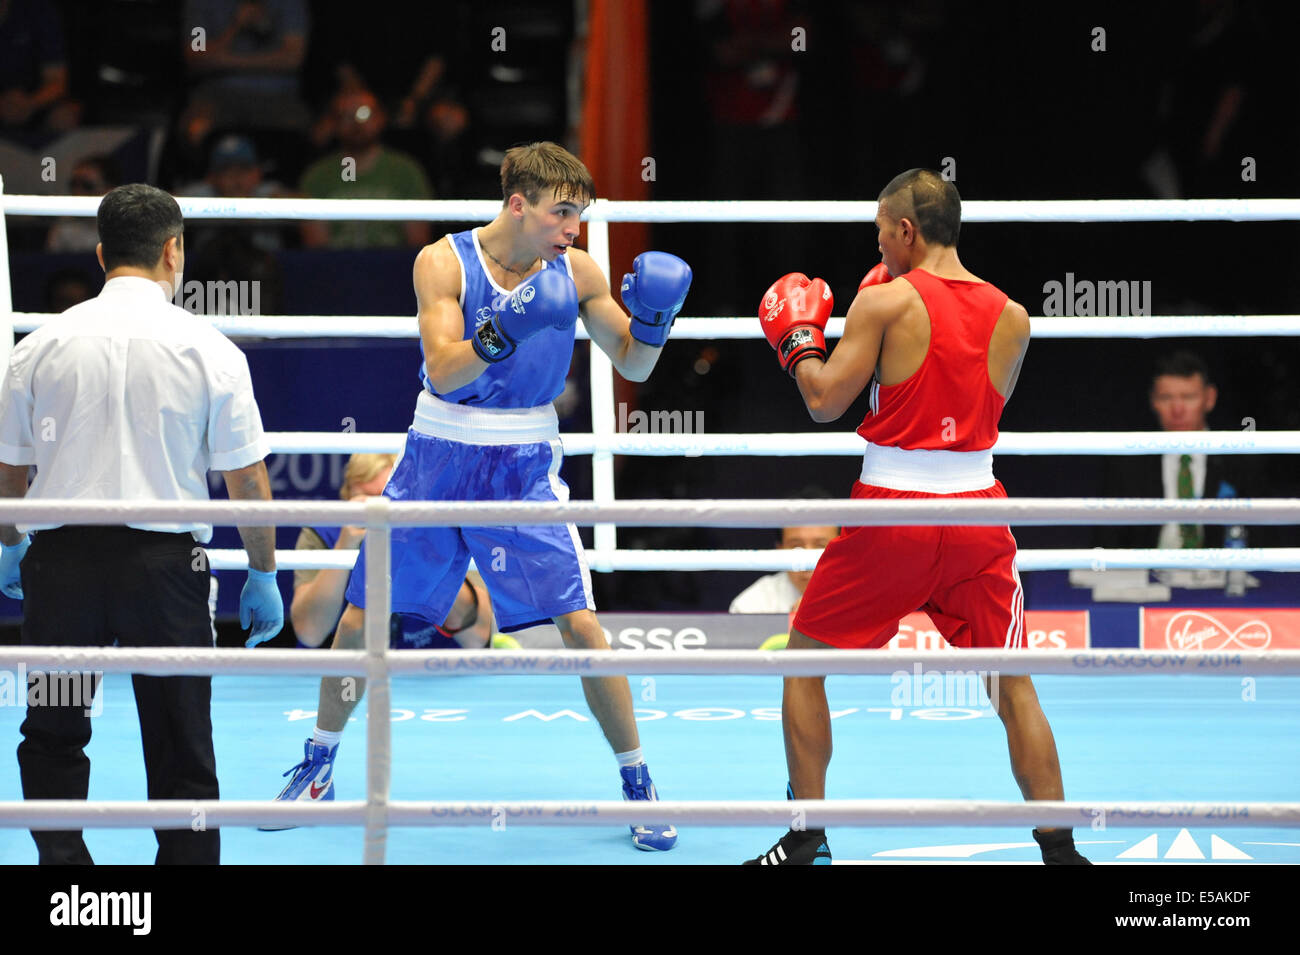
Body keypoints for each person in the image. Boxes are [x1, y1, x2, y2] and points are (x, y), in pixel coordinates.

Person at [268, 141, 692, 852]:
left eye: (580, 216)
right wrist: (509, 324)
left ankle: (638, 779)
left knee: (581, 626)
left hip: (522, 463)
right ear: (518, 204)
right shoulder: (441, 261)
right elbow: (444, 367)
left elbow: (633, 361)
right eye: (562, 213)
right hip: (436, 454)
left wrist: (654, 320)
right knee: (360, 615)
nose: (572, 230)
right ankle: (318, 764)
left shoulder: (577, 270)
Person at [747, 168, 1088, 866]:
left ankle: (806, 835)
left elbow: (822, 400)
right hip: (977, 516)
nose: (877, 242)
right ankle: (1062, 853)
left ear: (906, 230)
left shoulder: (887, 304)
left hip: (891, 516)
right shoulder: (1014, 315)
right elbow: (980, 413)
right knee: (1012, 683)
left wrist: (799, 340)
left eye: (881, 229)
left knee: (802, 664)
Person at [0, 183, 283, 865]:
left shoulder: (37, 346)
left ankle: (64, 877)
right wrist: (264, 572)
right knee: (179, 736)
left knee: (55, 729)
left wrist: (11, 547)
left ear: (100, 254)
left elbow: (9, 472)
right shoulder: (209, 347)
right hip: (165, 575)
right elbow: (246, 480)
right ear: (173, 250)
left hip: (62, 568)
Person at [289, 452, 492, 651]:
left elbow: (478, 637)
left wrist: (421, 549)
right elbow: (310, 633)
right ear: (347, 495)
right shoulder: (323, 532)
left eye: (388, 499)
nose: (378, 511)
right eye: (366, 498)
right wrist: (344, 546)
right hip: (343, 673)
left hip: (433, 674)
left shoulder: (447, 530)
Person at [1095, 350, 1258, 551]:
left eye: (1188, 397)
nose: (1178, 410)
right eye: (1166, 398)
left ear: (1210, 398)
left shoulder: (1240, 460)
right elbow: (1106, 544)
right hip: (1148, 578)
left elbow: (1267, 544)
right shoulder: (1128, 464)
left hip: (1221, 577)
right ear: (1153, 400)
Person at [299, 89, 433, 249]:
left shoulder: (407, 171)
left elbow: (417, 245)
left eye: (364, 113)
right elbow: (316, 250)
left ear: (381, 118)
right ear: (334, 123)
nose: (356, 123)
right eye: (346, 115)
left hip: (394, 268)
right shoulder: (317, 176)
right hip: (337, 269)